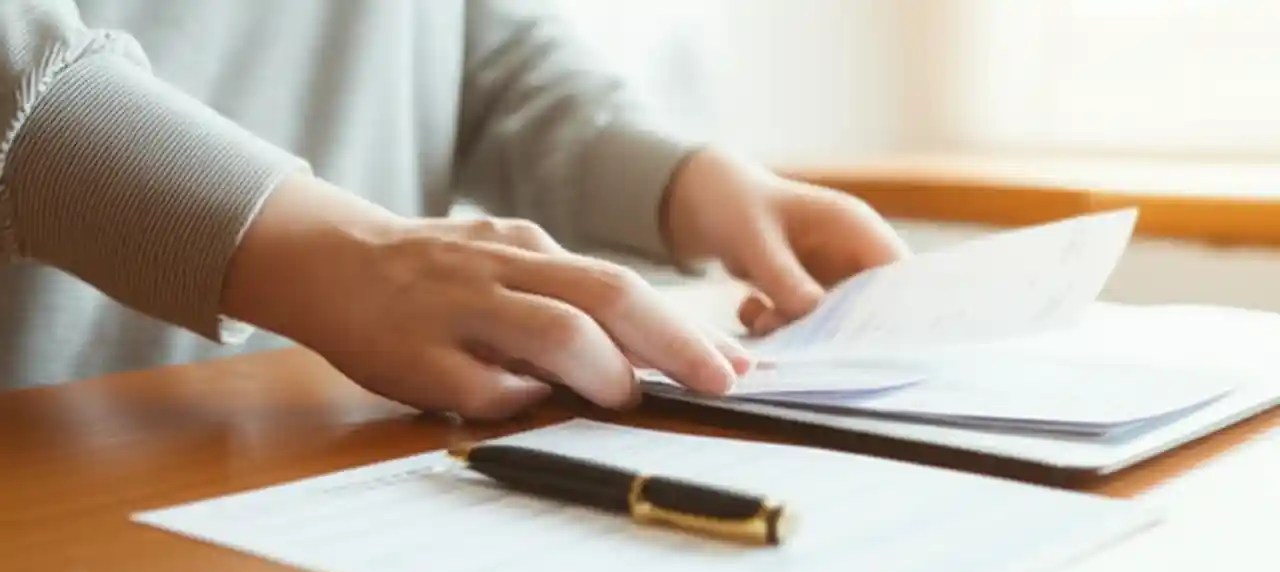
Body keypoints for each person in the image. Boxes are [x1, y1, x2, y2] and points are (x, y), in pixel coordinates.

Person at [0, 1, 906, 419]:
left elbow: (463, 40)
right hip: (49, 466)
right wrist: (339, 253)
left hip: (349, 450)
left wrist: (679, 180)